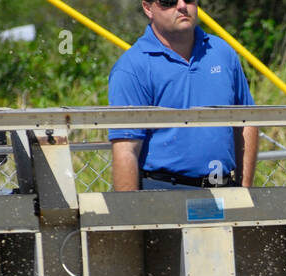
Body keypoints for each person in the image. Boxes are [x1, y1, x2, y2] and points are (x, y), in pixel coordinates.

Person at [108, 0, 258, 190]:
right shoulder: (132, 67)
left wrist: (244, 190)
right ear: (147, 8)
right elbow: (126, 150)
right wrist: (130, 215)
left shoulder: (222, 52)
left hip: (224, 188)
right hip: (163, 193)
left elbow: (247, 121)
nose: (181, 6)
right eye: (168, 1)